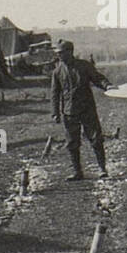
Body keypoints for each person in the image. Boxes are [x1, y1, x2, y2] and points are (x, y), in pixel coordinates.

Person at [51, 39, 115, 180]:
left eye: (61, 53)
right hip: (69, 112)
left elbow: (97, 78)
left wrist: (107, 85)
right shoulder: (57, 71)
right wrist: (55, 112)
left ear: (70, 52)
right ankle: (77, 172)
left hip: (87, 109)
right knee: (72, 143)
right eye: (57, 53)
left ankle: (102, 169)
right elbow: (55, 93)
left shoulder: (84, 66)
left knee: (96, 139)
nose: (59, 56)